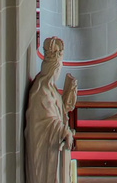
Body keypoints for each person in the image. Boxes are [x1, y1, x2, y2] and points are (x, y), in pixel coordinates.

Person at [25, 36, 79, 183]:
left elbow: (55, 113)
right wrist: (64, 131)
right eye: (59, 67)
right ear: (53, 69)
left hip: (53, 150)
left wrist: (66, 100)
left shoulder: (50, 88)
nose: (59, 72)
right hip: (45, 154)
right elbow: (44, 124)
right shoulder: (40, 92)